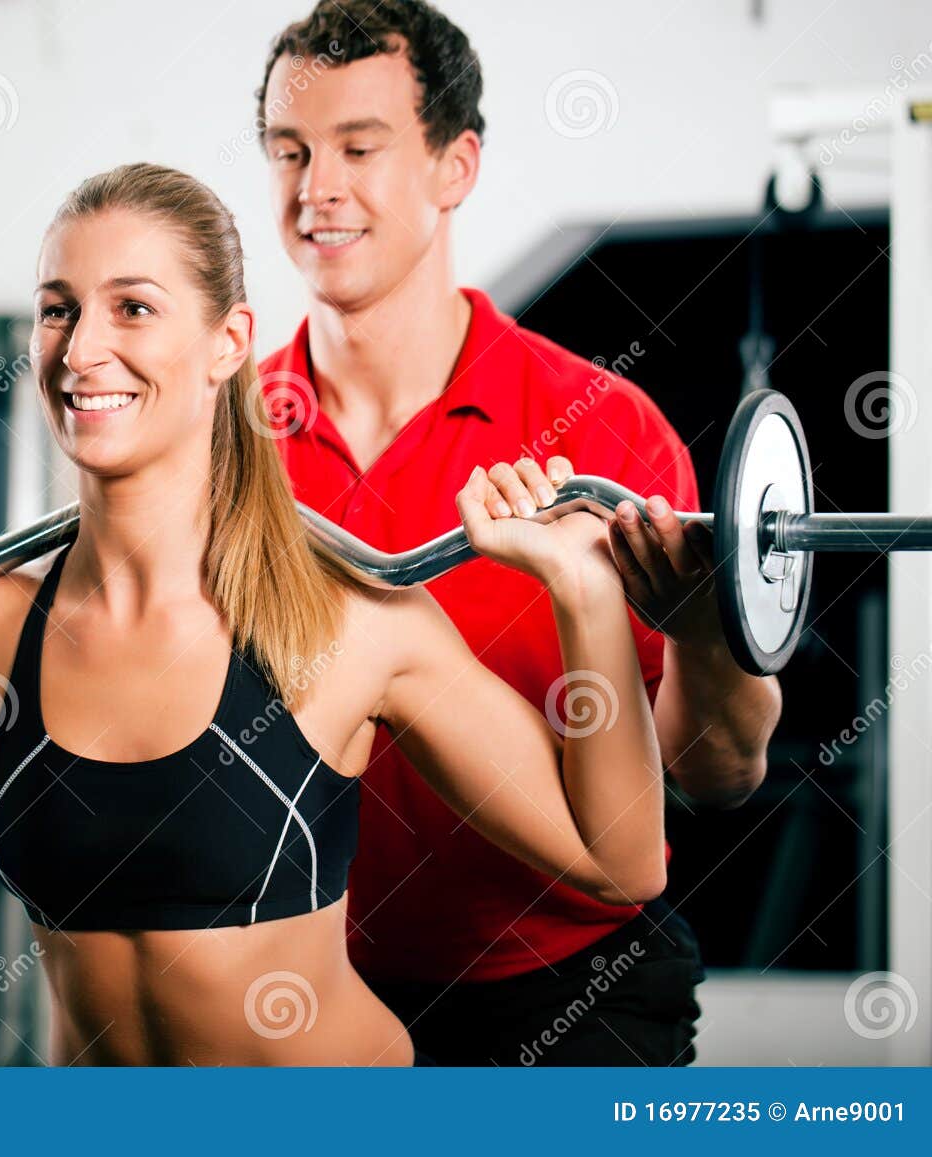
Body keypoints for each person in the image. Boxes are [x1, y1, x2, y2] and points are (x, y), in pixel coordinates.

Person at [0, 162, 665, 1066]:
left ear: (228, 342)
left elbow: (619, 863)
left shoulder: (348, 619)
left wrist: (583, 590)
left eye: (133, 307)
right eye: (58, 310)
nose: (82, 351)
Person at [245, 0, 782, 1064]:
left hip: (569, 993)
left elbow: (717, 775)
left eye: (361, 148)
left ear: (455, 166)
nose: (318, 190)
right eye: (290, 151)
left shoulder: (600, 429)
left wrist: (705, 634)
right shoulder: (226, 450)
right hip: (301, 998)